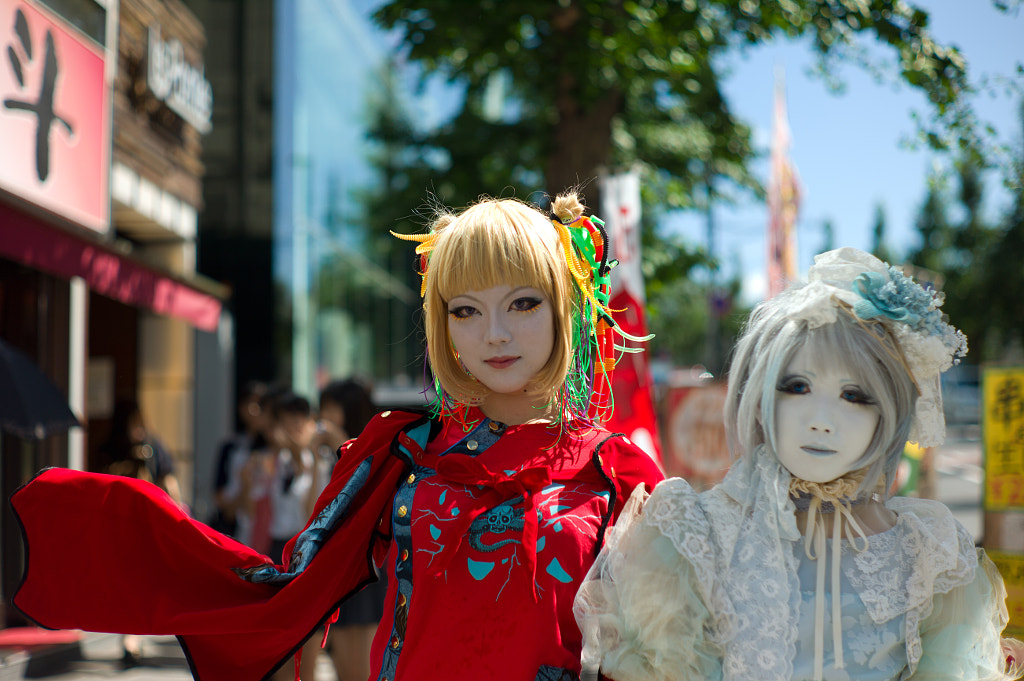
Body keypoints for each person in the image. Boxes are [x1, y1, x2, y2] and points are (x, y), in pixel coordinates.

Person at [11, 190, 664, 681]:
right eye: (465, 310)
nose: (493, 332)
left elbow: (670, 639)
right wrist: (107, 527)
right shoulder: (406, 452)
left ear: (564, 306)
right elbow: (290, 583)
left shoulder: (618, 472)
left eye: (522, 303)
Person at [573, 247, 1024, 681]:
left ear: (889, 410)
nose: (821, 421)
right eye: (797, 386)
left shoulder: (931, 554)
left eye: (854, 395)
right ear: (760, 389)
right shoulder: (694, 534)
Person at [314, 378, 387, 681]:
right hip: (341, 566)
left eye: (330, 409)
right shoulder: (322, 452)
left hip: (370, 565)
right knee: (344, 665)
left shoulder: (373, 443)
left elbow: (363, 491)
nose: (323, 418)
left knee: (367, 663)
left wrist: (340, 442)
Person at [210, 380, 269, 537]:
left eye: (260, 405)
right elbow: (219, 496)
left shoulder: (273, 449)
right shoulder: (230, 446)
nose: (254, 410)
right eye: (249, 403)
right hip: (233, 529)